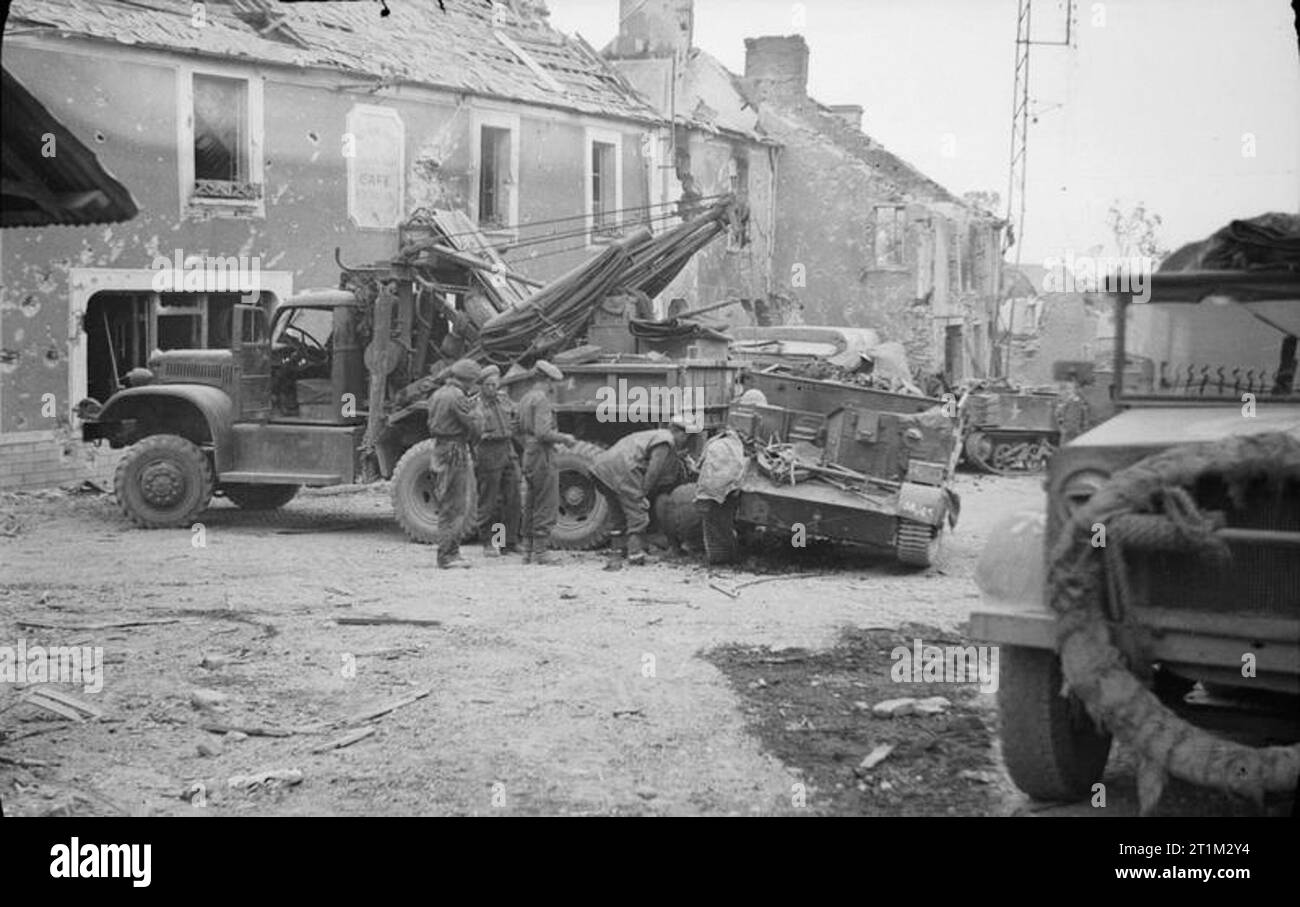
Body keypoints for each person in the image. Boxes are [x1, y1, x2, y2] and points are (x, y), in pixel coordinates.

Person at [589, 420, 690, 567]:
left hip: (600, 468)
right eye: (686, 436)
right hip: (622, 469)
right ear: (680, 432)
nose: (685, 440)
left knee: (618, 513)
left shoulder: (653, 435)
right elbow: (653, 471)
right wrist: (642, 493)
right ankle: (635, 555)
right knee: (638, 514)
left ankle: (617, 551)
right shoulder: (665, 441)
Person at [426, 358, 483, 569]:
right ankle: (448, 555)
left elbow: (430, 422)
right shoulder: (458, 396)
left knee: (447, 503)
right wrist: (477, 410)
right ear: (468, 380)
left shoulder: (437, 394)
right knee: (455, 505)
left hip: (440, 449)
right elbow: (474, 426)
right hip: (454, 451)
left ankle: (448, 553)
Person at [516, 360, 574, 565]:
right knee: (546, 502)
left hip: (529, 453)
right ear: (546, 380)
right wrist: (564, 438)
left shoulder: (525, 398)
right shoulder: (541, 400)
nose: (553, 387)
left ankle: (527, 551)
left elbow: (516, 428)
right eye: (552, 382)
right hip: (542, 454)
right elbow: (543, 432)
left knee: (531, 502)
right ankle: (541, 552)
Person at [473, 364, 521, 557]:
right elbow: (473, 431)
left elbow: (516, 417)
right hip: (488, 452)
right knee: (490, 501)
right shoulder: (476, 405)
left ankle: (509, 542)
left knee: (513, 499)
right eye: (489, 385)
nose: (493, 388)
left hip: (507, 449)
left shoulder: (504, 400)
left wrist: (514, 427)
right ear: (481, 386)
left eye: (495, 384)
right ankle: (490, 542)